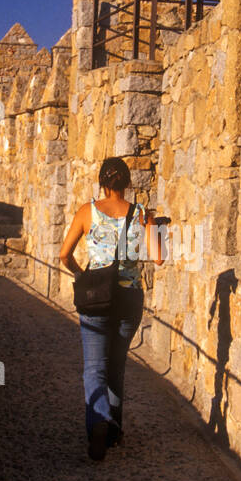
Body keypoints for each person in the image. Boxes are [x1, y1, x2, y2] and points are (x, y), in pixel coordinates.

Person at [59, 156, 164, 461]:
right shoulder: (141, 214)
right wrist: (153, 226)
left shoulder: (86, 212)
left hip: (96, 297)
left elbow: (64, 255)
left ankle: (98, 424)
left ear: (102, 183)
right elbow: (158, 258)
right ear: (127, 183)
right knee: (116, 366)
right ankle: (114, 432)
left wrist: (82, 275)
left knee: (95, 369)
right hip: (129, 298)